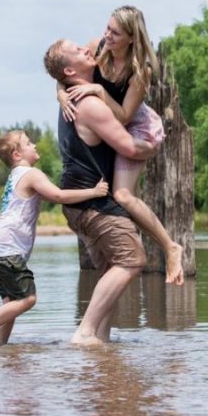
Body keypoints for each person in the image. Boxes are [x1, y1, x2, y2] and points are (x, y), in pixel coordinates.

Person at [60, 6, 185, 286]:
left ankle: (171, 247)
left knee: (123, 195)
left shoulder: (141, 70)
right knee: (112, 193)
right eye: (107, 28)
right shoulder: (98, 46)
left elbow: (126, 115)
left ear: (132, 37)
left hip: (136, 128)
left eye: (115, 33)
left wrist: (99, 91)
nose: (107, 35)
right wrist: (61, 97)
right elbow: (62, 74)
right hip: (112, 127)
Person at [43, 37, 155, 345]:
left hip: (80, 205)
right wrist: (157, 145)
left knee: (110, 270)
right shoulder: (90, 104)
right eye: (78, 51)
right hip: (95, 204)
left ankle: (101, 344)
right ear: (69, 69)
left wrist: (60, 90)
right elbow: (129, 147)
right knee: (131, 260)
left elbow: (62, 72)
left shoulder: (76, 92)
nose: (86, 49)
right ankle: (86, 332)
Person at [0, 129, 108, 347]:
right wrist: (94, 192)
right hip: (6, 249)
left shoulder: (16, 175)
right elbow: (58, 195)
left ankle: (0, 346)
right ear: (17, 155)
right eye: (28, 143)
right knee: (27, 299)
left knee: (12, 303)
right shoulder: (31, 174)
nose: (34, 145)